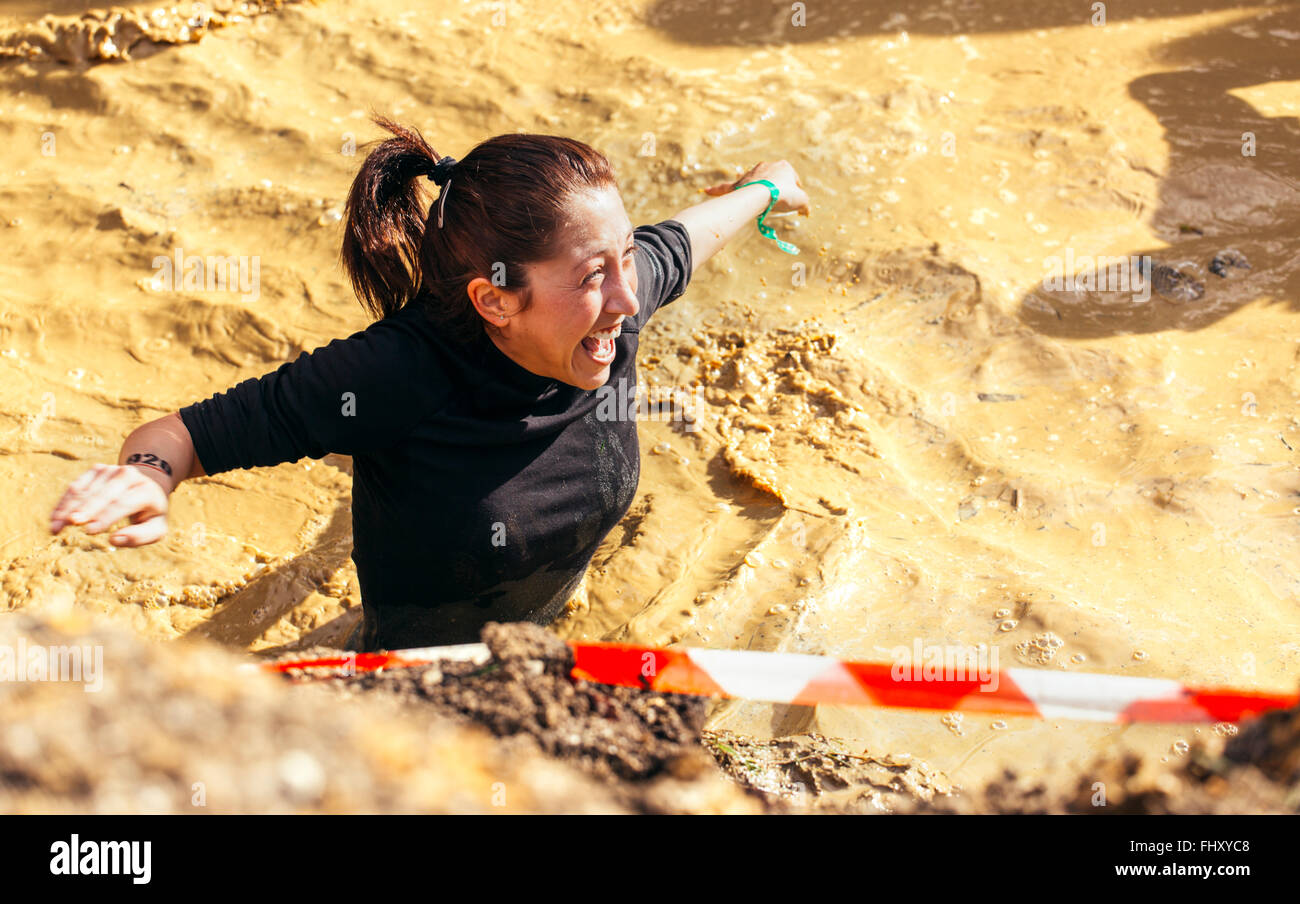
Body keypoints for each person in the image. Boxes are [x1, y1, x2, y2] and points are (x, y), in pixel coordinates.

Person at [47, 116, 810, 651]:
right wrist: (147, 479)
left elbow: (686, 234)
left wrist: (767, 188)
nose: (629, 297)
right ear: (495, 301)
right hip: (409, 680)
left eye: (624, 260)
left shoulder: (612, 311)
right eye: (592, 275)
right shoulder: (393, 375)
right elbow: (177, 438)